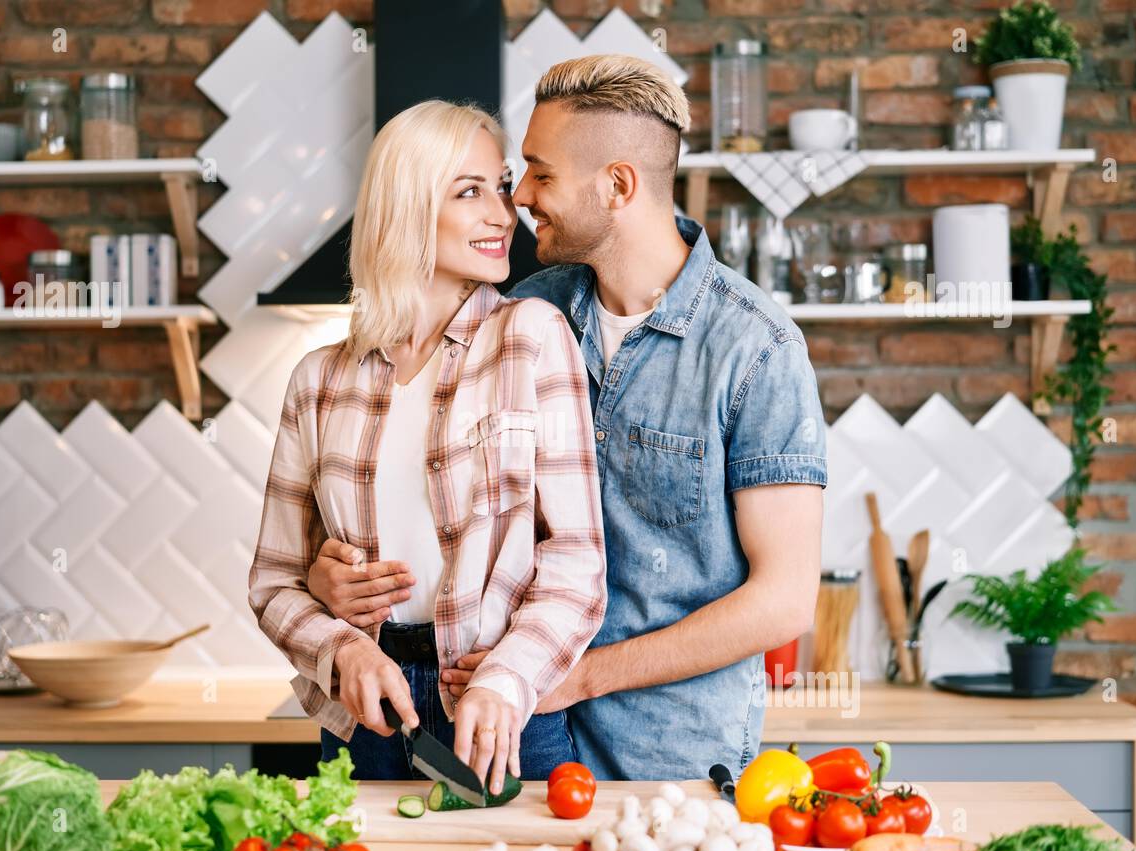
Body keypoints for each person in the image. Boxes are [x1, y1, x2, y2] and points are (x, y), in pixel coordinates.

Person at [306, 55, 826, 783]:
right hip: (505, 725)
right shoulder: (525, 311)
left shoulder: (754, 350)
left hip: (663, 754)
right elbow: (442, 508)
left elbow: (783, 602)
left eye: (539, 174)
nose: (518, 197)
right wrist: (328, 579)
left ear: (618, 185)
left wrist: (578, 675)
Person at [248, 100, 606, 795]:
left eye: (502, 188)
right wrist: (342, 650)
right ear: (406, 206)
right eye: (469, 191)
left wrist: (507, 679)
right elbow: (274, 582)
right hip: (367, 719)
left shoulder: (531, 337)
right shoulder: (317, 380)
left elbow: (576, 560)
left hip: (501, 707)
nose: (504, 214)